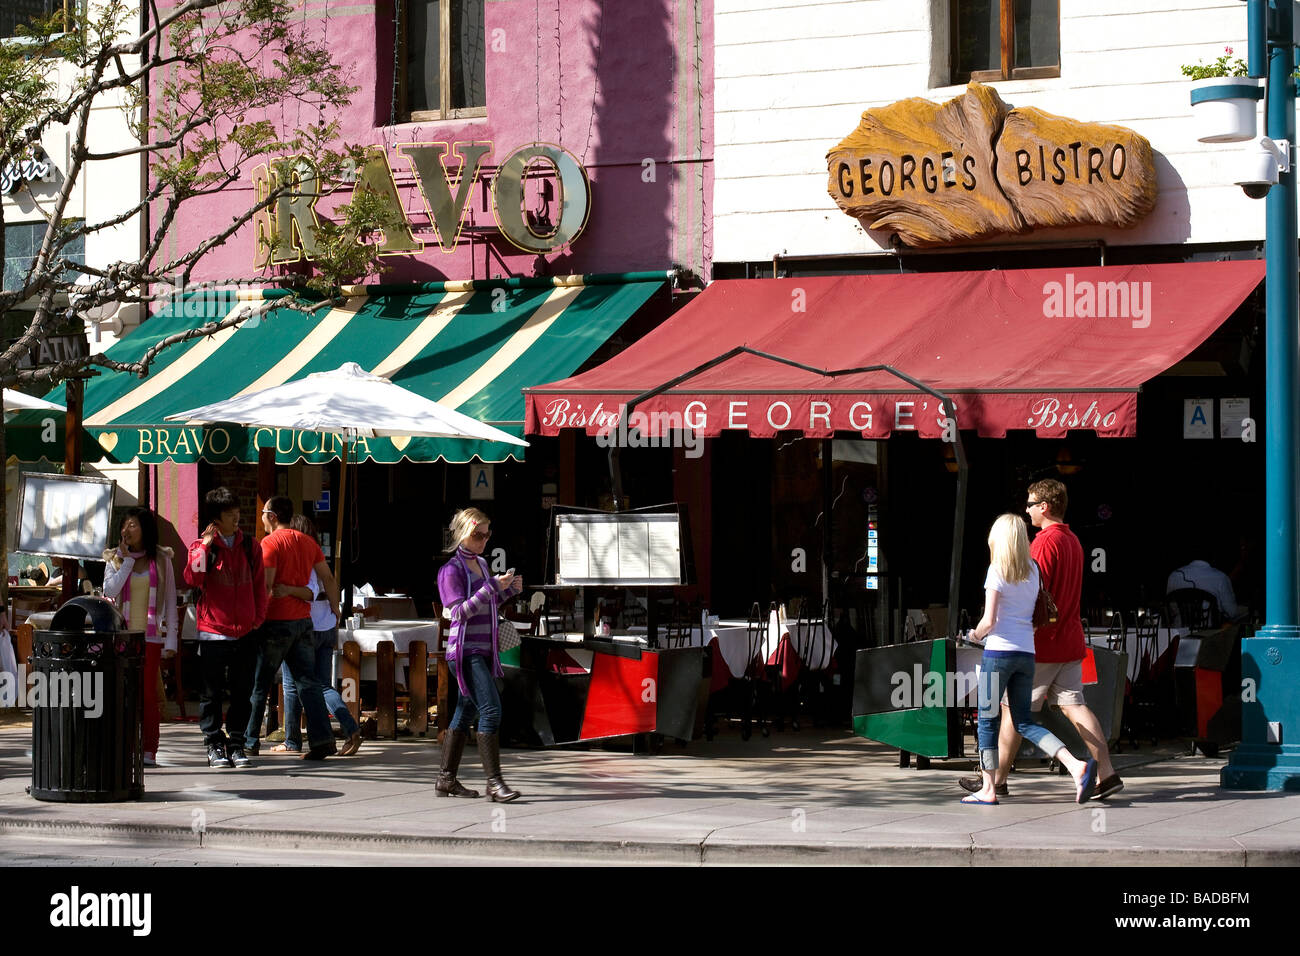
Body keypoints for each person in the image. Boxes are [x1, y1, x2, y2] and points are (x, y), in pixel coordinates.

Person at [962, 480, 1123, 800]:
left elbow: (1034, 598)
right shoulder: (1074, 541)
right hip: (1070, 640)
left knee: (1010, 712)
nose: (1027, 509)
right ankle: (1106, 772)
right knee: (1075, 705)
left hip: (1042, 645)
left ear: (1045, 507)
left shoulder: (1042, 545)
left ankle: (993, 781)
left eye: (1031, 504)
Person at [436, 508, 523, 801]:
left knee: (466, 710)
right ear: (462, 533)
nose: (484, 540)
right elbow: (458, 611)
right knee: (491, 710)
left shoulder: (483, 564)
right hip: (465, 652)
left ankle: (446, 779)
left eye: (487, 535)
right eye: (478, 535)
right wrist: (490, 588)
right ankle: (494, 783)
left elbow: (487, 603)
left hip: (483, 651)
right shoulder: (451, 570)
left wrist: (508, 591)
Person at [245, 496, 339, 761]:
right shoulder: (308, 542)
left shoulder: (270, 542)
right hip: (303, 622)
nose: (262, 517)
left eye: (264, 513)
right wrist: (336, 607)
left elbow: (266, 586)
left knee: (260, 683)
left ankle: (250, 740)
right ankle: (322, 740)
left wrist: (256, 619)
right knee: (307, 682)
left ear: (272, 516)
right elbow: (328, 578)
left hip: (276, 621)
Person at [183, 488, 267, 769]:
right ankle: (213, 743)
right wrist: (205, 546)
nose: (236, 518)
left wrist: (258, 619)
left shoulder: (250, 546)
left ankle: (237, 743)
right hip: (212, 631)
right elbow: (193, 579)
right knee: (211, 692)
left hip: (245, 630)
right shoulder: (200, 546)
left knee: (243, 691)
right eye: (230, 514)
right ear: (216, 518)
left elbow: (259, 585)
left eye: (237, 512)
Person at [269, 515, 362, 757]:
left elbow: (309, 591)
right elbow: (329, 583)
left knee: (295, 685)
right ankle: (342, 729)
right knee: (320, 684)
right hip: (327, 624)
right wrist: (336, 610)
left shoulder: (299, 556)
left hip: (305, 626)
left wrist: (286, 590)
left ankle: (296, 738)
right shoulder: (317, 553)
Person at [102, 507, 178, 768]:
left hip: (151, 636)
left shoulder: (161, 558)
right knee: (122, 694)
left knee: (147, 695)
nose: (127, 530)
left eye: (132, 525)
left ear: (145, 528)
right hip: (122, 635)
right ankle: (123, 746)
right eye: (124, 525)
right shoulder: (114, 558)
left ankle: (148, 749)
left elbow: (170, 600)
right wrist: (126, 561)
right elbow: (110, 590)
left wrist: (171, 641)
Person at [1167, 556, 1242, 622]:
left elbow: (1170, 609)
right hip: (1210, 634)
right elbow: (1232, 613)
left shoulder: (1174, 576)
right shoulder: (1221, 577)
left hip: (1179, 633)